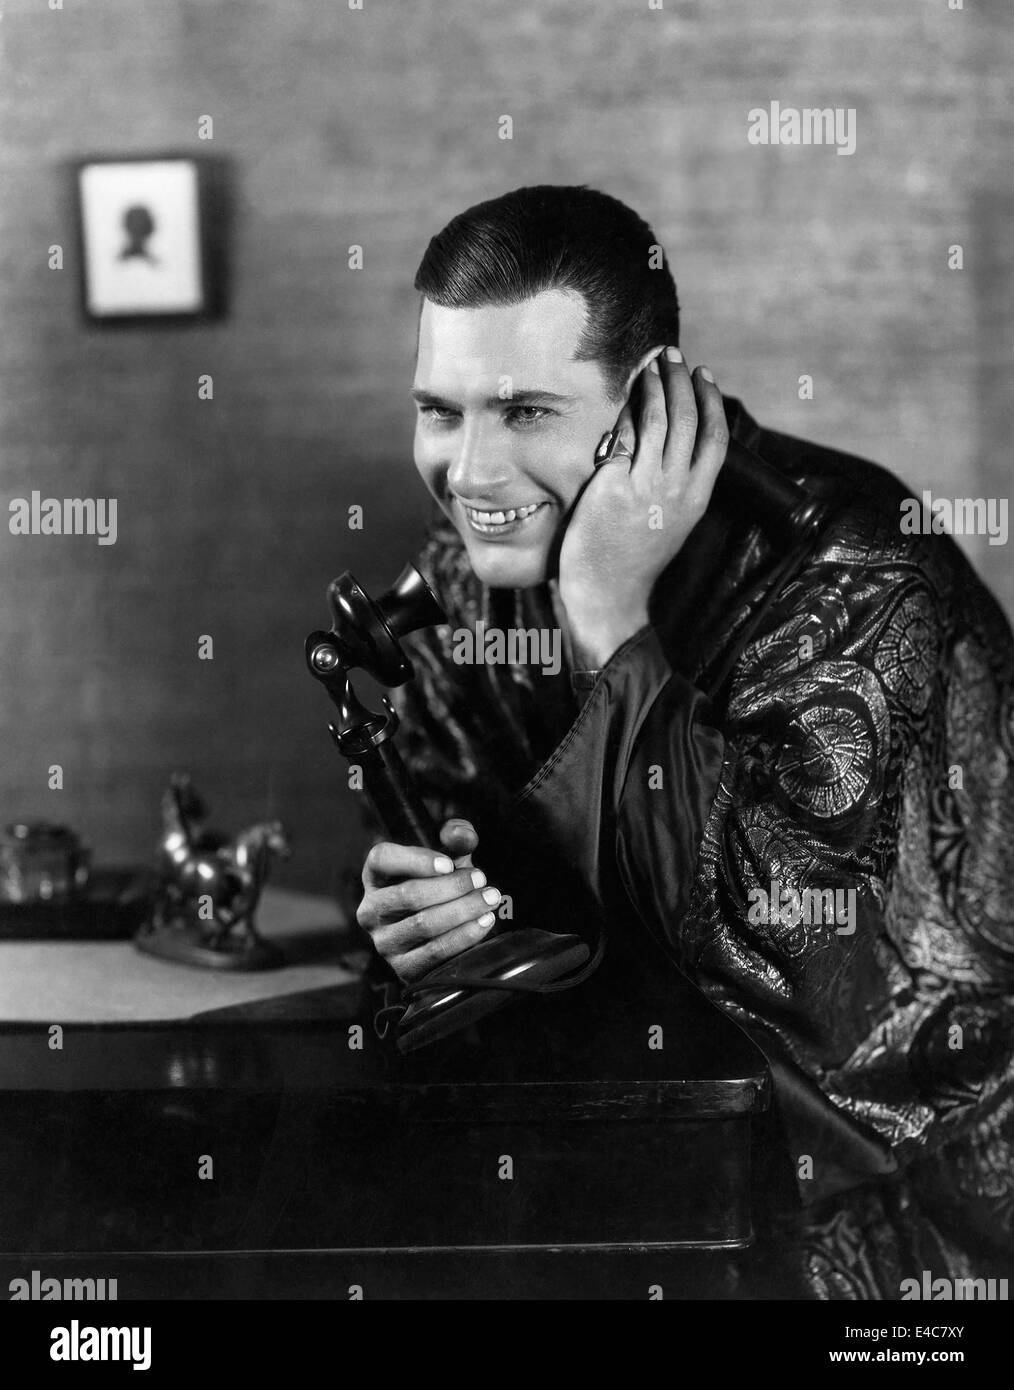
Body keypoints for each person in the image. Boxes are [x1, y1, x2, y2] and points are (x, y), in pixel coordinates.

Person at [355, 184, 1014, 1298]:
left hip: (908, 1234)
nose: (468, 472)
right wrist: (428, 926)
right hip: (619, 1193)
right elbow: (503, 937)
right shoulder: (465, 591)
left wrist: (611, 619)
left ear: (650, 400)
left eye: (524, 412)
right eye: (440, 409)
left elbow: (820, 985)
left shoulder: (854, 569)